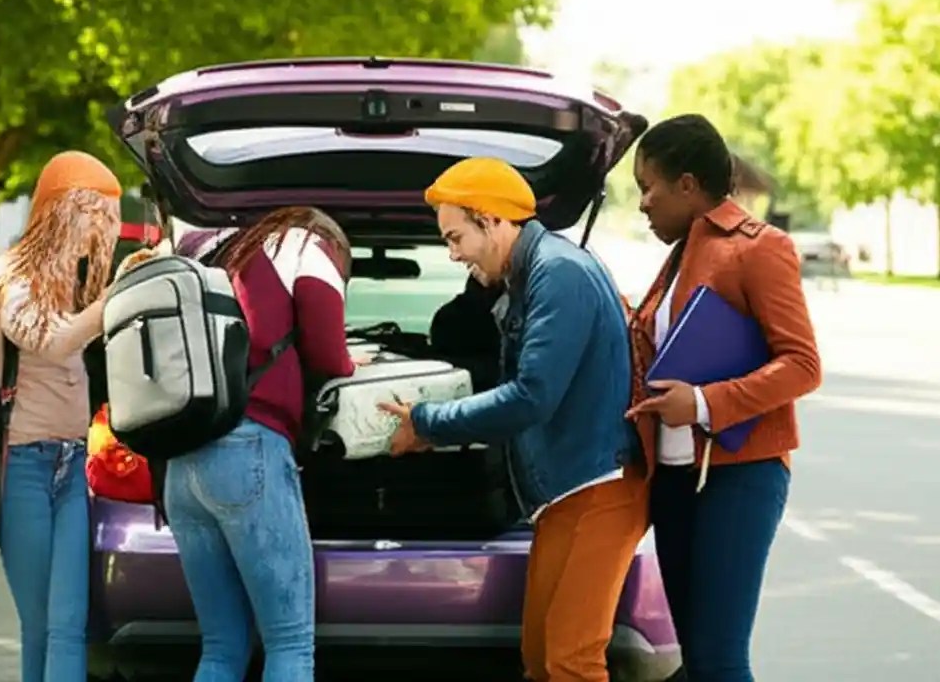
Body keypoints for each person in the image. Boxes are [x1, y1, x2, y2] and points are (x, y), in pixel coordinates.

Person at [379, 157, 646, 682]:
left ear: (493, 220)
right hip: (565, 492)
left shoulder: (559, 274)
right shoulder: (534, 274)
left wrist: (429, 423)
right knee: (542, 660)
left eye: (456, 237)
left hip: (598, 489)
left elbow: (531, 396)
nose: (454, 254)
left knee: (570, 661)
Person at [623, 114, 821, 682]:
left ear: (687, 185)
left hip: (739, 476)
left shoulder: (759, 248)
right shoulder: (681, 253)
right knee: (696, 660)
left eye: (647, 187)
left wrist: (706, 403)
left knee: (718, 660)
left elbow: (803, 365)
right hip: (677, 481)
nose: (642, 203)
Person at [166, 207, 362, 682]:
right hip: (249, 450)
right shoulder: (307, 244)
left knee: (220, 648)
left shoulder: (211, 249)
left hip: (181, 462)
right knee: (290, 643)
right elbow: (329, 353)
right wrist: (358, 364)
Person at [0, 150, 123, 682]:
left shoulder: (75, 284)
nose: (99, 229)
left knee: (70, 623)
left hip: (73, 466)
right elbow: (49, 342)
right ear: (58, 210)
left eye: (107, 216)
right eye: (92, 213)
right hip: (24, 468)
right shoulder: (9, 280)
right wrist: (113, 303)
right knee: (40, 623)